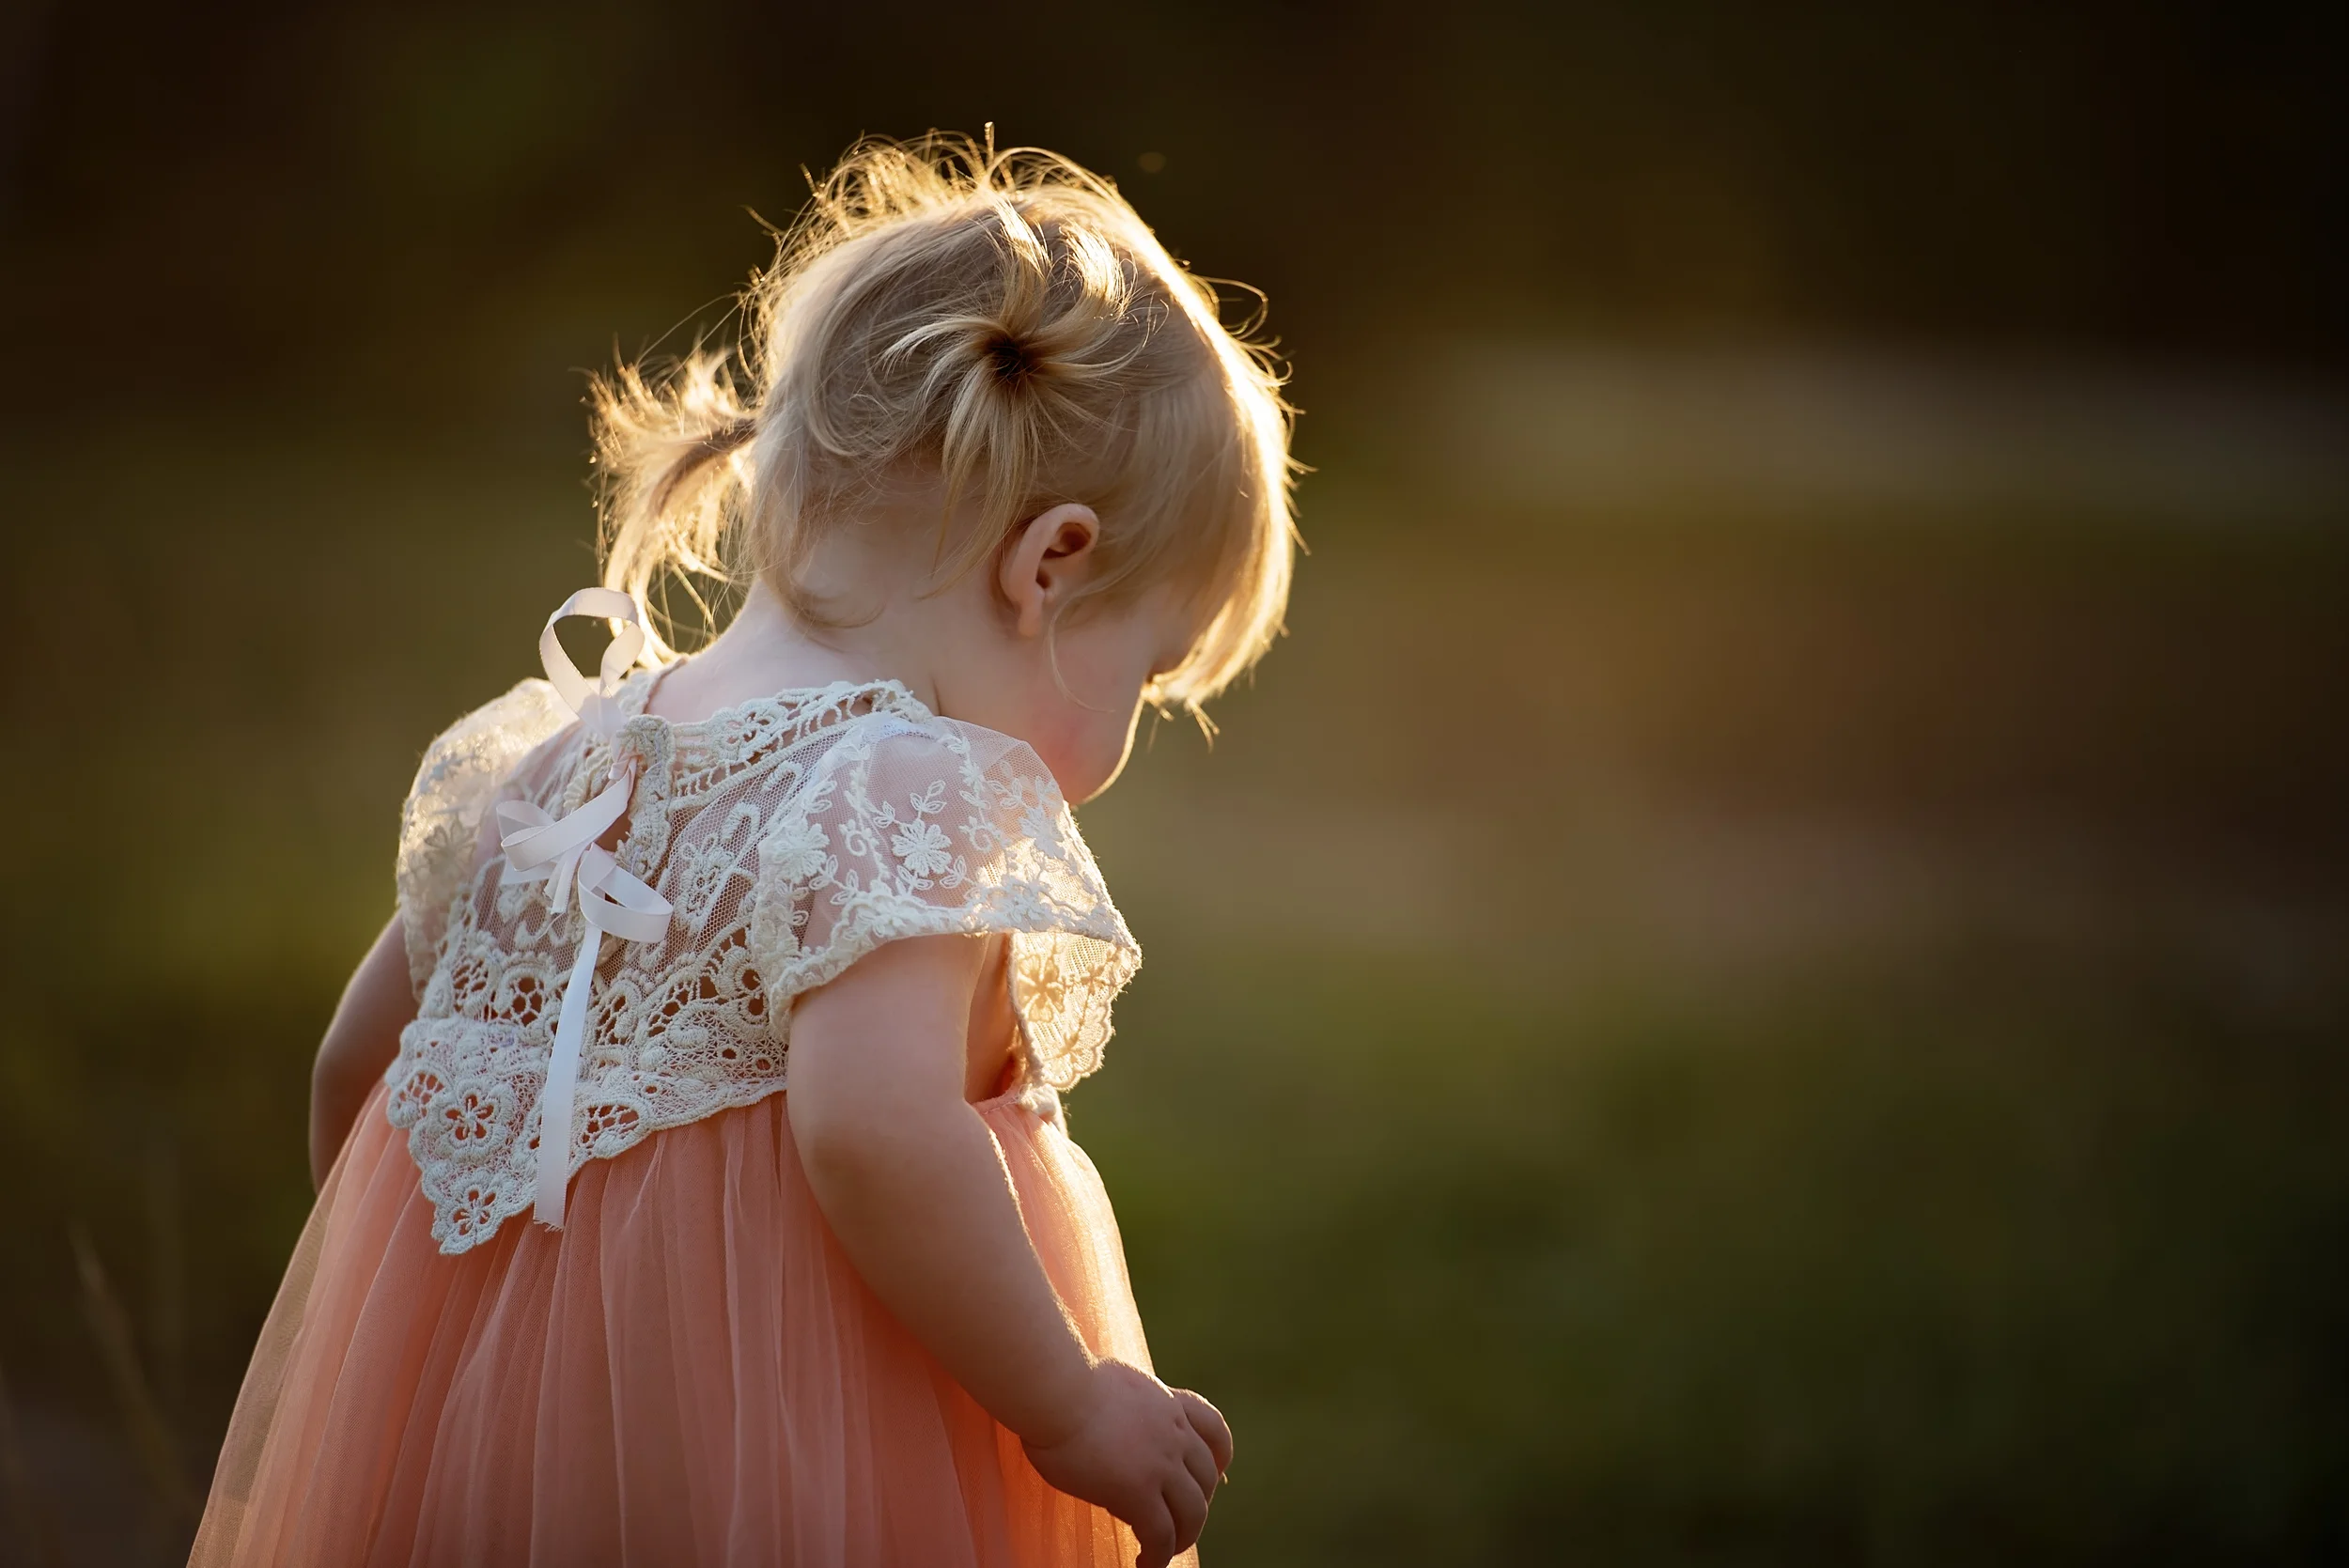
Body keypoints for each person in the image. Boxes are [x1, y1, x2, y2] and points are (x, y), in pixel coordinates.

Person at [190, 132, 1295, 1568]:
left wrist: (407, 1358)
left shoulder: (551, 765)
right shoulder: (905, 790)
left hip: (488, 1464)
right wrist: (1069, 1404)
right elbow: (875, 1127)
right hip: (792, 1453)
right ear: (1050, 564)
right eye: (1150, 678)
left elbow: (362, 1069)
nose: (1134, 731)